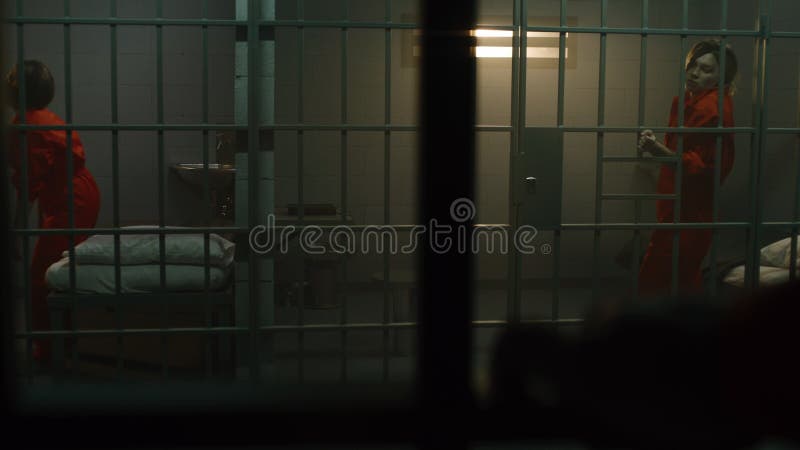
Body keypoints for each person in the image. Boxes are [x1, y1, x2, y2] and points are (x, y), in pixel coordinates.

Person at [6, 60, 101, 363]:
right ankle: (65, 341)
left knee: (41, 275)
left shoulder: (27, 124)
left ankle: (47, 349)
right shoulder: (38, 119)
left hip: (71, 200)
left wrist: (17, 230)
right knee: (61, 270)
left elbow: (28, 181)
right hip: (75, 194)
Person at [636, 40, 737, 298]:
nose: (694, 73)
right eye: (693, 65)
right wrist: (658, 146)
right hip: (681, 205)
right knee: (681, 281)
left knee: (656, 282)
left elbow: (701, 167)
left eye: (706, 69)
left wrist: (656, 148)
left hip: (690, 209)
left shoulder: (710, 108)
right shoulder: (691, 101)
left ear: (722, 78)